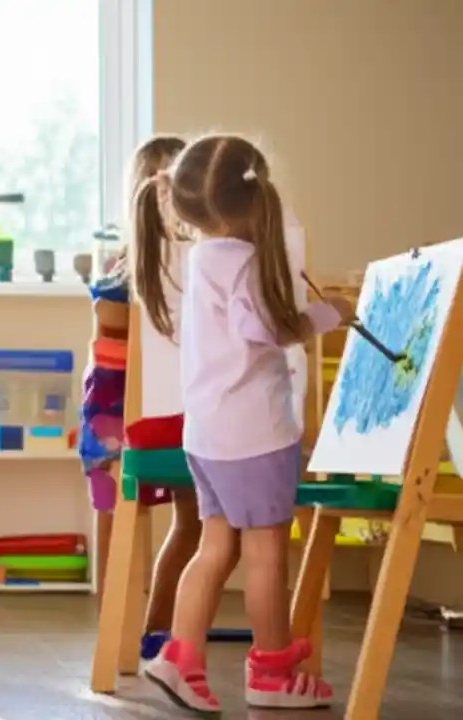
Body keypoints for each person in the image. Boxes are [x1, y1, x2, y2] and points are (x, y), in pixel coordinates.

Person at [142, 135, 353, 712]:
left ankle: (179, 656)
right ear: (256, 196)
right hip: (253, 436)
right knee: (265, 555)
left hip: (208, 436)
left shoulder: (204, 257)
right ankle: (273, 670)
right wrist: (325, 315)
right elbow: (262, 331)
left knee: (216, 547)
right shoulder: (245, 261)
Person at [80, 135, 203, 660]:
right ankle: (121, 632)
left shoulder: (197, 264)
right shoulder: (122, 271)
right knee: (120, 520)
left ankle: (155, 630)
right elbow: (115, 337)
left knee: (193, 518)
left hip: (182, 415)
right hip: (117, 422)